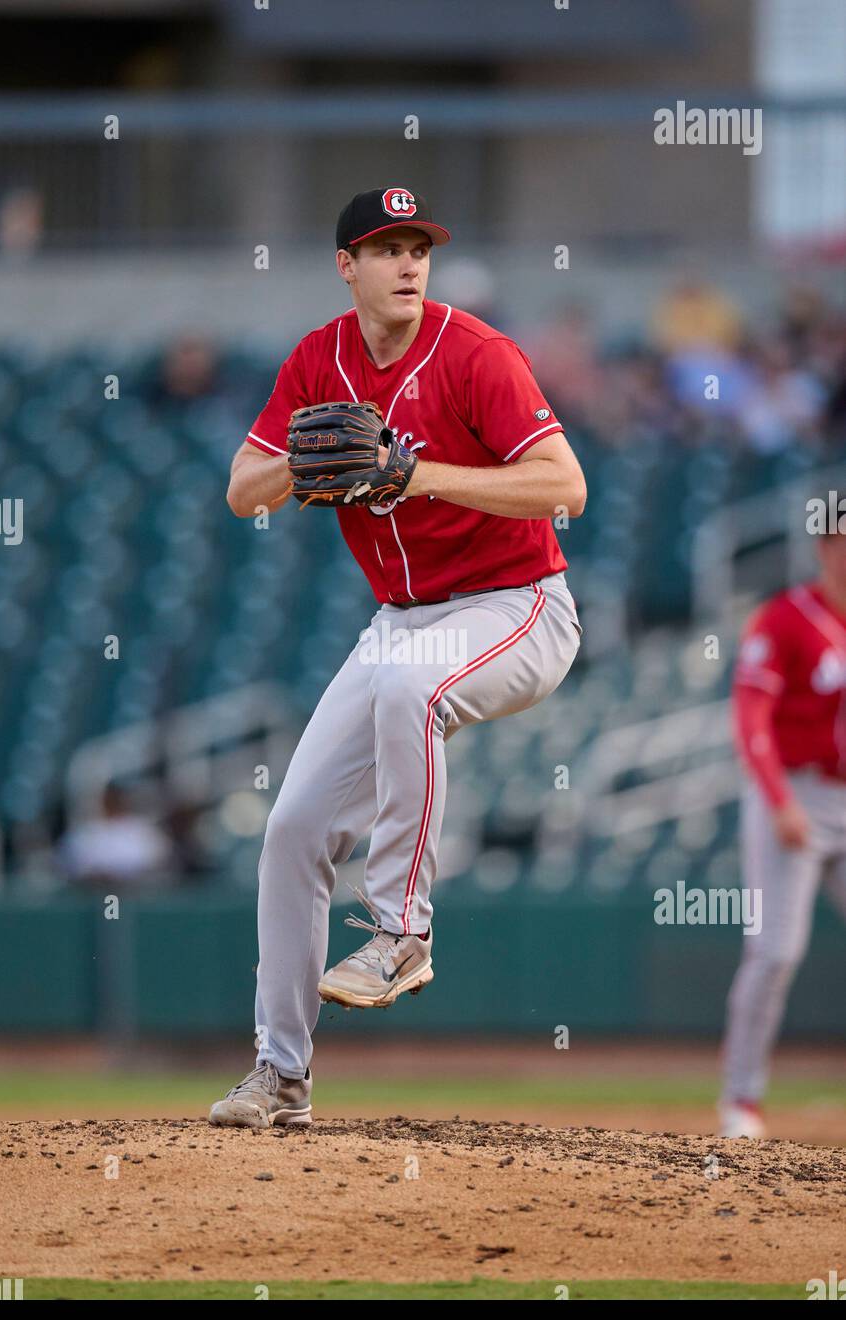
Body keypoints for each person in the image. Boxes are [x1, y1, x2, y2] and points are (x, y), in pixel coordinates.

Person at [210, 186, 586, 1129]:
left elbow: (562, 484)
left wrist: (413, 472)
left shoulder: (477, 353)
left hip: (518, 606)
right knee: (292, 831)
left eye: (419, 246)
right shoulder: (319, 359)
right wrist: (308, 466)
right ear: (347, 266)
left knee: (413, 691)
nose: (409, 262)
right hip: (400, 618)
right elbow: (240, 492)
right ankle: (280, 1076)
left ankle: (401, 932)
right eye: (386, 248)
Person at [721, 514, 846, 1138]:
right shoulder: (785, 618)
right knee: (775, 952)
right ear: (825, 546)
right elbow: (750, 717)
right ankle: (742, 1101)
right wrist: (778, 801)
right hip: (793, 796)